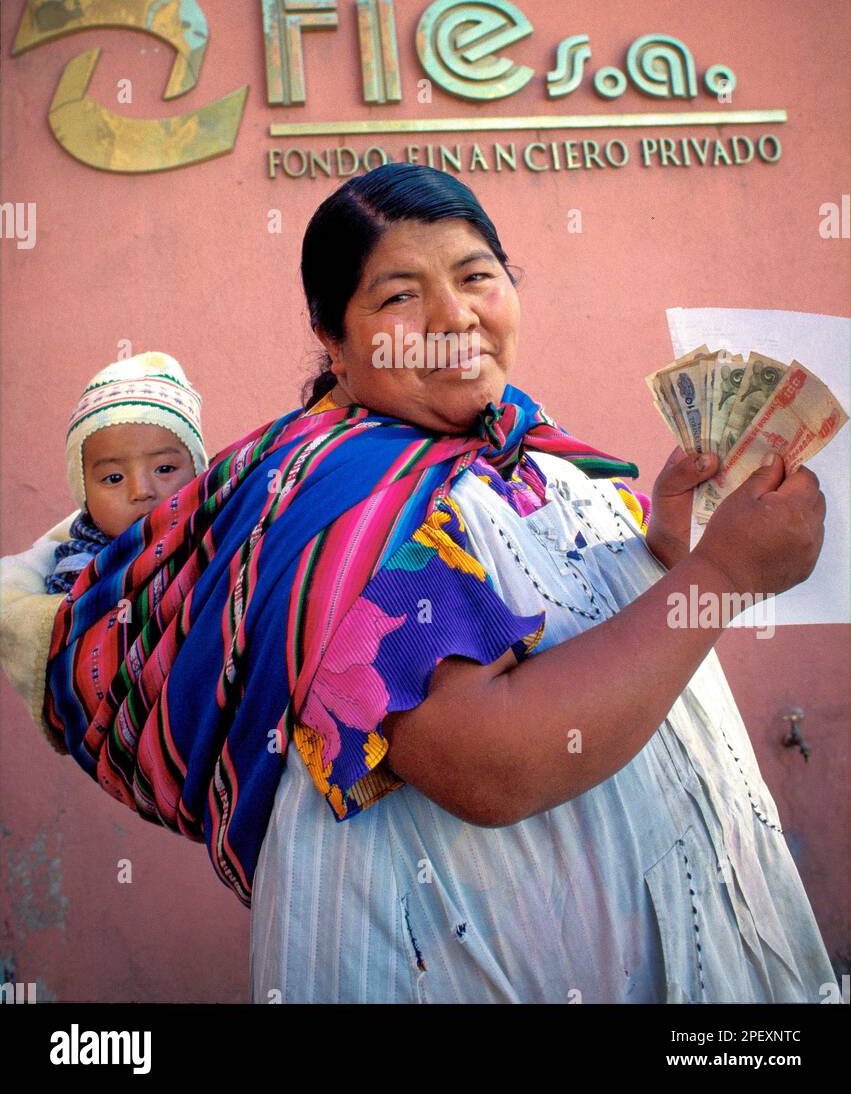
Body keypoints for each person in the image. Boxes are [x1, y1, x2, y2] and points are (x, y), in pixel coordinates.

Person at [42, 164, 835, 1005]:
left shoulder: (535, 455)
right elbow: (484, 765)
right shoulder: (349, 504)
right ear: (333, 337)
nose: (454, 317)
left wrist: (669, 550)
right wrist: (720, 577)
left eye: (475, 276)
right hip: (457, 964)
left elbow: (599, 647)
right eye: (397, 296)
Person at [0, 352, 207, 751]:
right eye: (113, 477)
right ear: (86, 498)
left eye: (165, 469)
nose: (142, 490)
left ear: (197, 471)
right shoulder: (83, 563)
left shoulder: (216, 531)